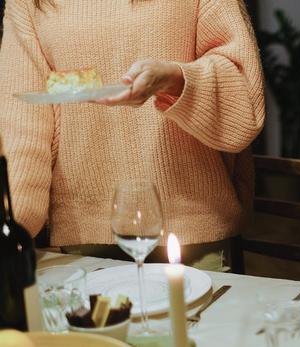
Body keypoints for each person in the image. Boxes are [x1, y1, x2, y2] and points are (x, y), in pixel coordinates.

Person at [0, 0, 265, 270]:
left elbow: (245, 106)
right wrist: (11, 224)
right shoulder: (28, 4)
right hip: (82, 241)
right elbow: (21, 130)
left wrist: (176, 80)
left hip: (193, 233)